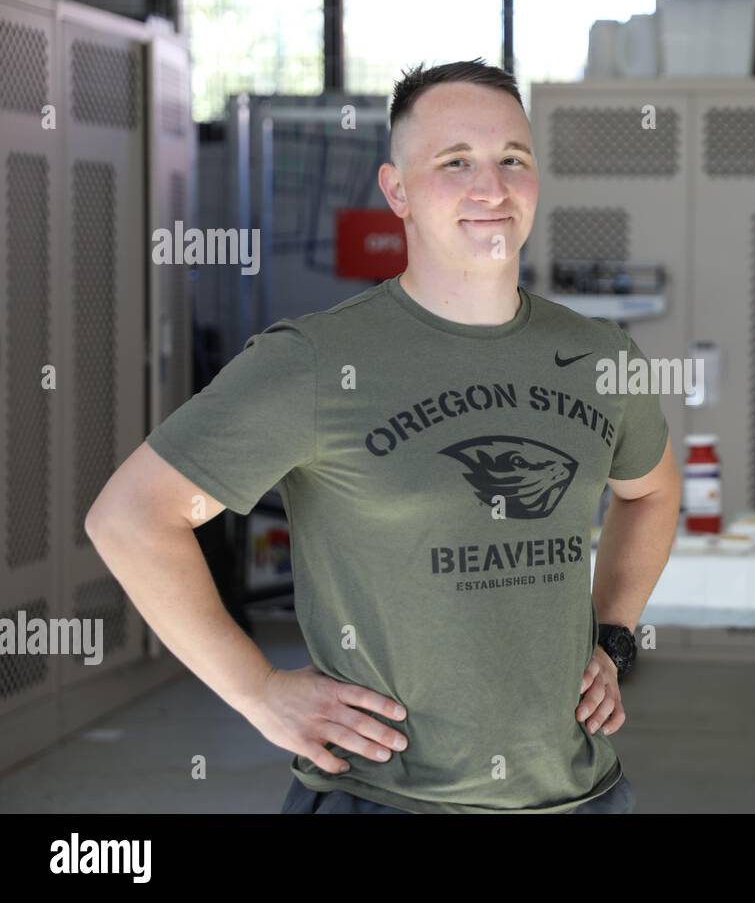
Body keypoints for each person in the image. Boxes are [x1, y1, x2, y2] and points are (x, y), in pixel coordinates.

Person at [85, 58, 681, 814]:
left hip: (584, 795)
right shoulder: (312, 363)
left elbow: (652, 491)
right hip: (386, 801)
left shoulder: (601, 357)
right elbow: (131, 518)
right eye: (454, 162)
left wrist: (615, 636)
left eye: (512, 160)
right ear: (396, 190)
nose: (490, 188)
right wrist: (258, 691)